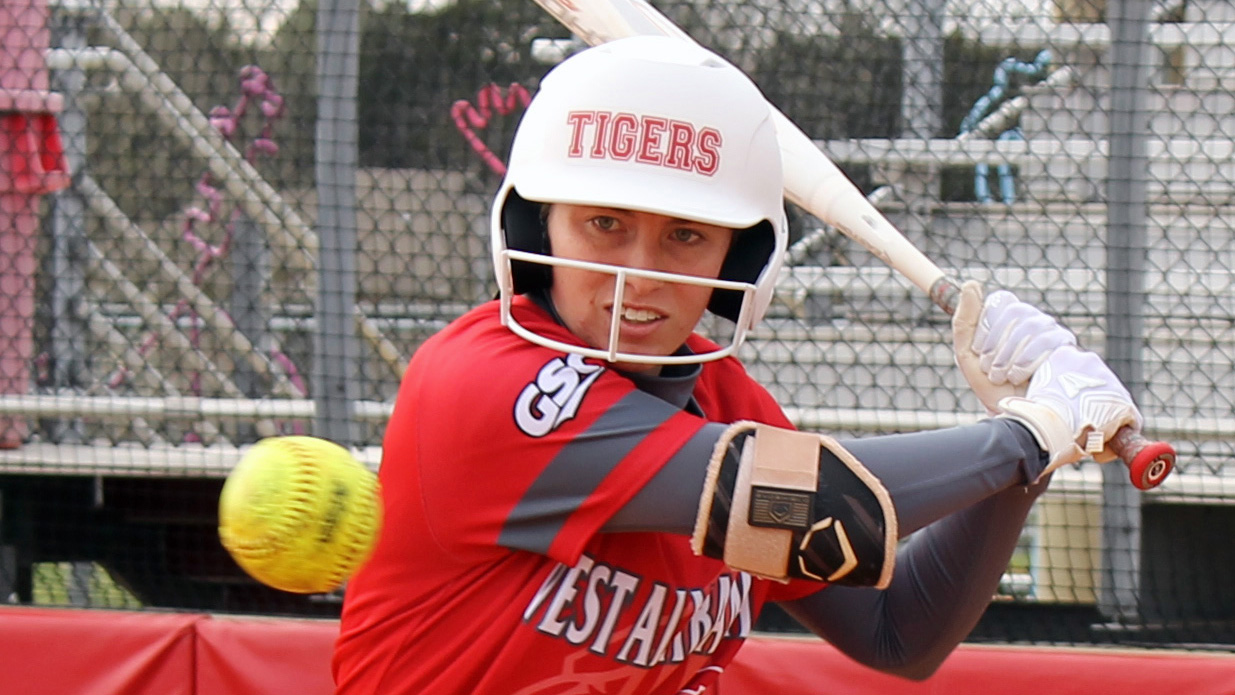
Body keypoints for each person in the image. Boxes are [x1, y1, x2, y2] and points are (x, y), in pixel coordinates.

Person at [332, 36, 1142, 694]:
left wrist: (1019, 458)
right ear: (540, 230)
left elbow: (901, 631)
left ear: (739, 255)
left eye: (685, 234)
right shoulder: (481, 385)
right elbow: (806, 497)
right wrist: (1028, 433)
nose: (641, 276)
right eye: (604, 224)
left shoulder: (726, 401)